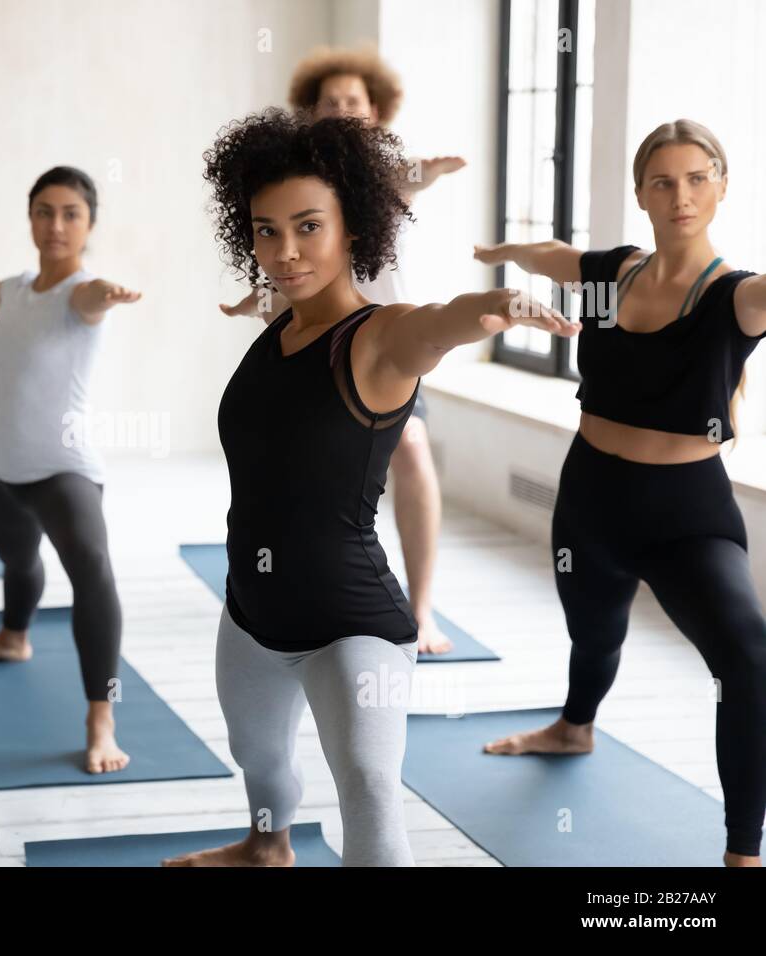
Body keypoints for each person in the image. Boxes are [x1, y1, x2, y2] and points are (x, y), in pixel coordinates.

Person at [168, 109, 574, 866]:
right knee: (259, 765)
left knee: (369, 789)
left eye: (307, 227)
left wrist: (486, 310)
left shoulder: (378, 337)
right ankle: (267, 848)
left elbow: (434, 324)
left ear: (353, 226)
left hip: (351, 625)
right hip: (250, 613)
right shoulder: (280, 327)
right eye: (265, 230)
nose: (285, 252)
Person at [479, 119, 766, 868]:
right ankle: (576, 725)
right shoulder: (615, 276)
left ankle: (743, 852)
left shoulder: (736, 298)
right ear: (640, 193)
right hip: (591, 497)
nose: (682, 195)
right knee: (594, 633)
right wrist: (504, 254)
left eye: (699, 177)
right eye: (664, 181)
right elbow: (558, 258)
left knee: (748, 656)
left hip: (686, 516)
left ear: (723, 186)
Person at [222, 44, 464, 653]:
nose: (340, 109)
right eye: (329, 102)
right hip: (318, 348)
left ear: (375, 110)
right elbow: (282, 268)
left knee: (410, 445)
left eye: (352, 101)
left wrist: (426, 175)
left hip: (385, 350)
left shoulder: (374, 187)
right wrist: (259, 303)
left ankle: (423, 605)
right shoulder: (295, 186)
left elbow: (402, 185)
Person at [0, 167, 141, 774]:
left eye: (71, 214)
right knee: (18, 562)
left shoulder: (81, 294)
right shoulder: (19, 288)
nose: (56, 224)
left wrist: (110, 294)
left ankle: (100, 719)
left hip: (63, 470)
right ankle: (12, 637)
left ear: (89, 224)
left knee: (93, 574)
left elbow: (91, 295)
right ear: (30, 218)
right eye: (45, 211)